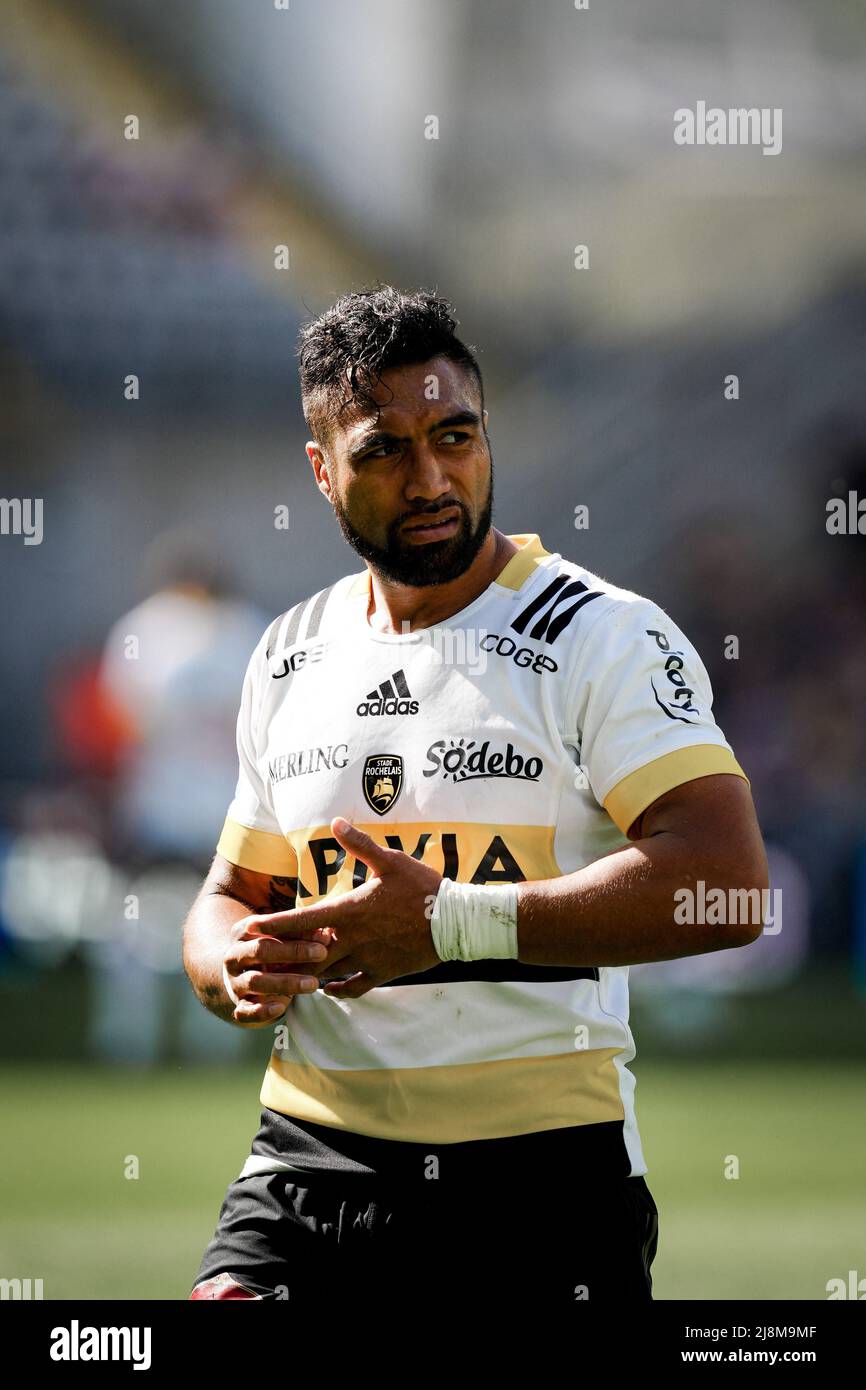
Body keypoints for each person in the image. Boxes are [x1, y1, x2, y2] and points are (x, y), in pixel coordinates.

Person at [182, 286, 768, 1311]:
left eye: (454, 435)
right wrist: (223, 957)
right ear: (321, 469)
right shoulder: (286, 653)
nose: (430, 477)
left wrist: (449, 922)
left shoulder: (601, 636)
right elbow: (233, 889)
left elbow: (725, 882)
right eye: (382, 450)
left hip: (538, 1186)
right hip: (307, 1161)